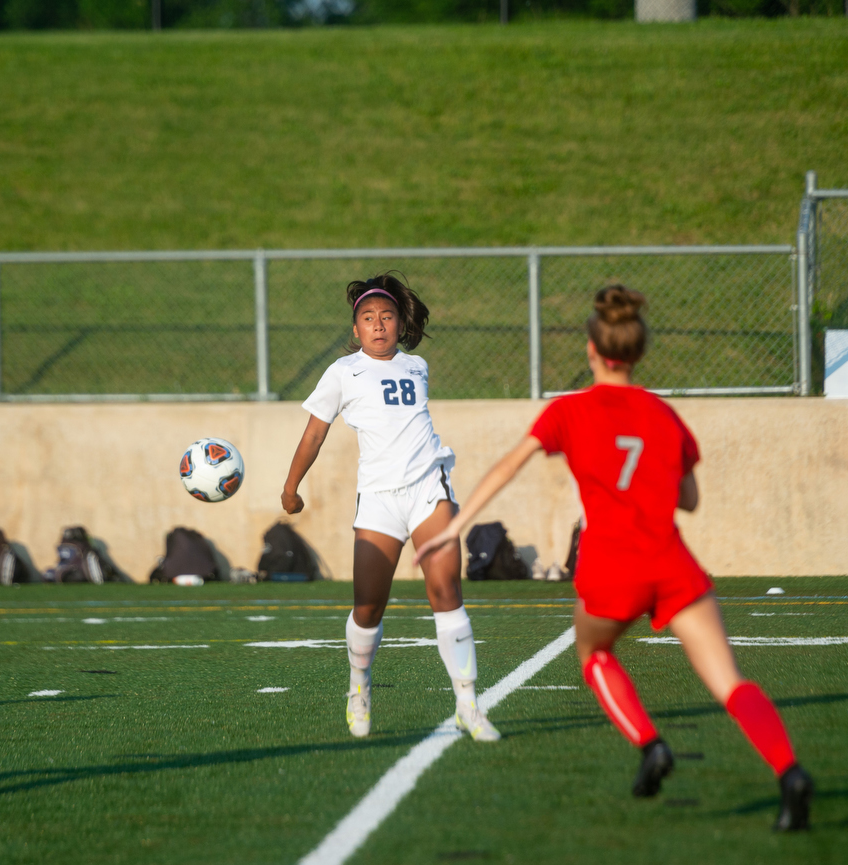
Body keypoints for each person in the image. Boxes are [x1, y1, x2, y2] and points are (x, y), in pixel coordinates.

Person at [414, 286, 813, 831]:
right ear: (638, 350)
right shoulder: (662, 414)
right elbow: (690, 500)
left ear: (592, 350)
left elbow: (509, 467)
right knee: (730, 682)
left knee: (594, 652)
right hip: (672, 563)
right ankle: (788, 773)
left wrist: (453, 528)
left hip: (612, 566)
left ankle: (651, 745)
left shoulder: (570, 410)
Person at [281, 273, 500, 742]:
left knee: (446, 592)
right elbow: (315, 433)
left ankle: (468, 705)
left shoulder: (416, 365)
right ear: (355, 330)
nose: (377, 325)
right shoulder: (342, 372)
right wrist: (291, 486)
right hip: (379, 498)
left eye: (386, 317)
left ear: (400, 324)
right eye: (367, 318)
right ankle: (359, 687)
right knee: (368, 607)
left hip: (428, 489)